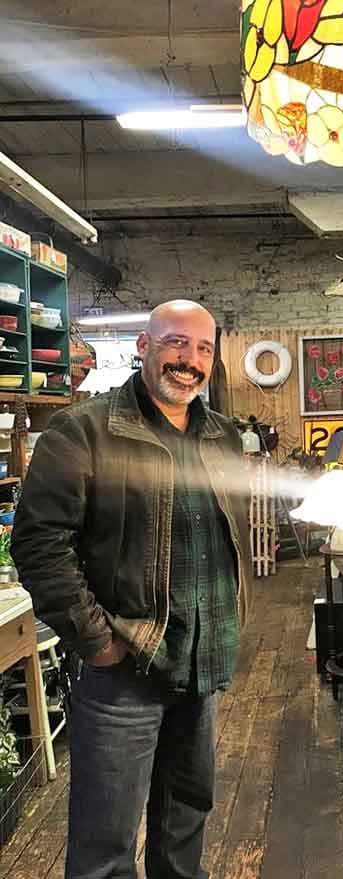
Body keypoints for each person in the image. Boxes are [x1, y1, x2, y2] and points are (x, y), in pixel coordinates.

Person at [11, 300, 253, 879]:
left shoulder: (222, 436)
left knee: (185, 822)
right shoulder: (84, 430)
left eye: (202, 349)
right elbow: (40, 545)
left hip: (202, 662)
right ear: (143, 347)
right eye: (175, 343)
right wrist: (98, 641)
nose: (189, 361)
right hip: (125, 667)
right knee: (106, 844)